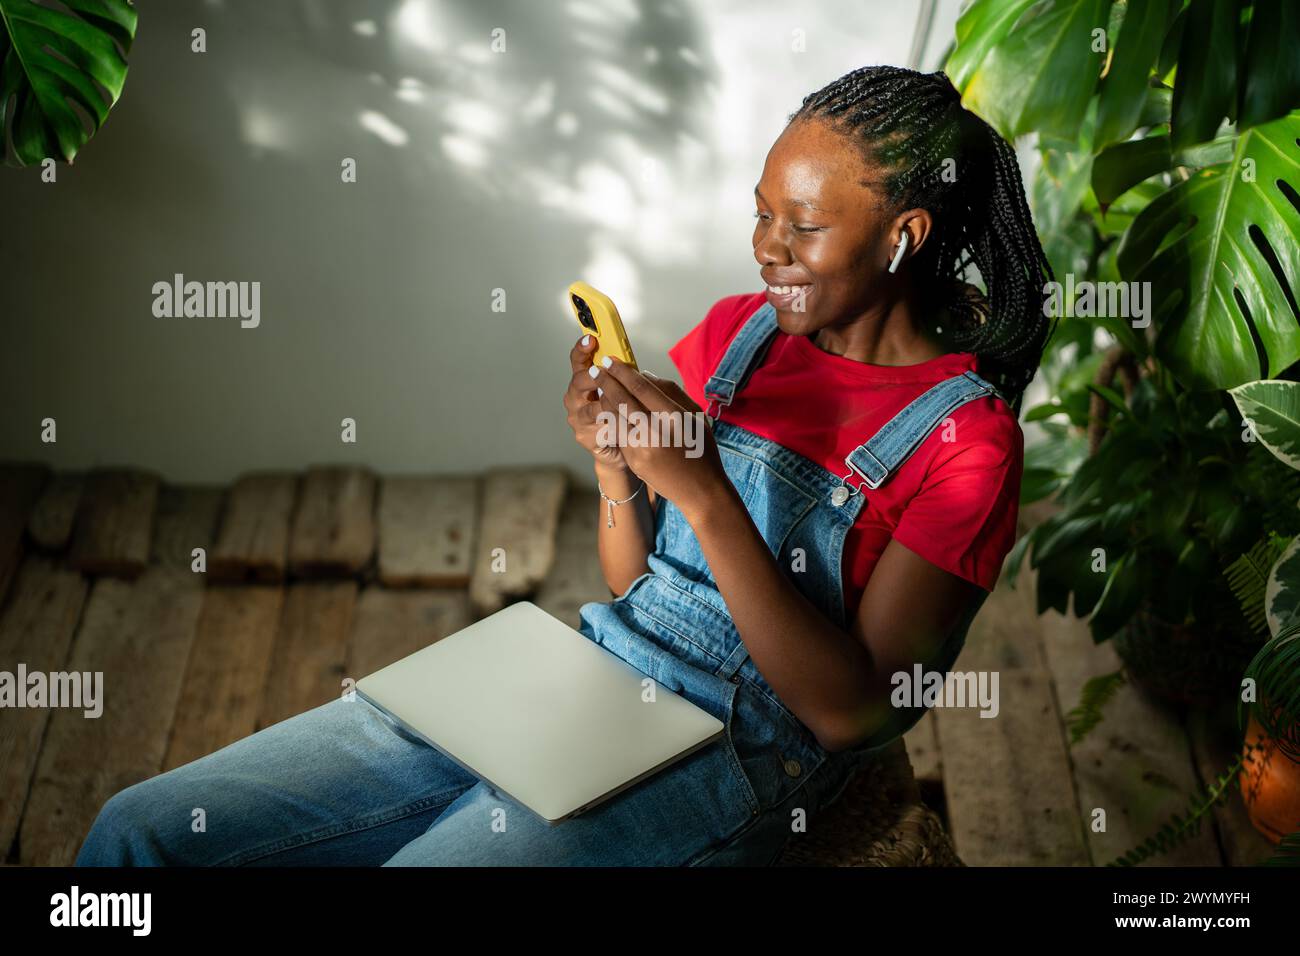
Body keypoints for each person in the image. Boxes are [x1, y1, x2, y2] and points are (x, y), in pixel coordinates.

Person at [76, 65, 1053, 867]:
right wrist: (617, 472)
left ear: (902, 235)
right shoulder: (740, 336)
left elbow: (852, 712)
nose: (766, 249)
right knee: (140, 831)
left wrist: (708, 497)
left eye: (802, 227)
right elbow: (642, 587)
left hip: (747, 745)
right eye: (760, 214)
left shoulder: (965, 446)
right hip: (595, 665)